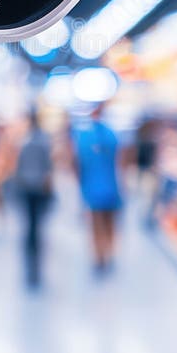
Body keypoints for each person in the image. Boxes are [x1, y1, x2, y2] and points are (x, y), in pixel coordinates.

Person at [72, 104, 123, 274]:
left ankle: (100, 255)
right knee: (109, 223)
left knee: (96, 224)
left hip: (93, 188)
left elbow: (78, 164)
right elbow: (120, 161)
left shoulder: (85, 137)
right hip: (110, 187)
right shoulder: (111, 135)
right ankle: (107, 252)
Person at [15, 110, 53, 288]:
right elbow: (47, 165)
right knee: (35, 225)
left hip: (29, 188)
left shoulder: (27, 141)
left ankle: (32, 252)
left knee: (31, 225)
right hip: (37, 188)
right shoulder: (41, 140)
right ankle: (34, 253)